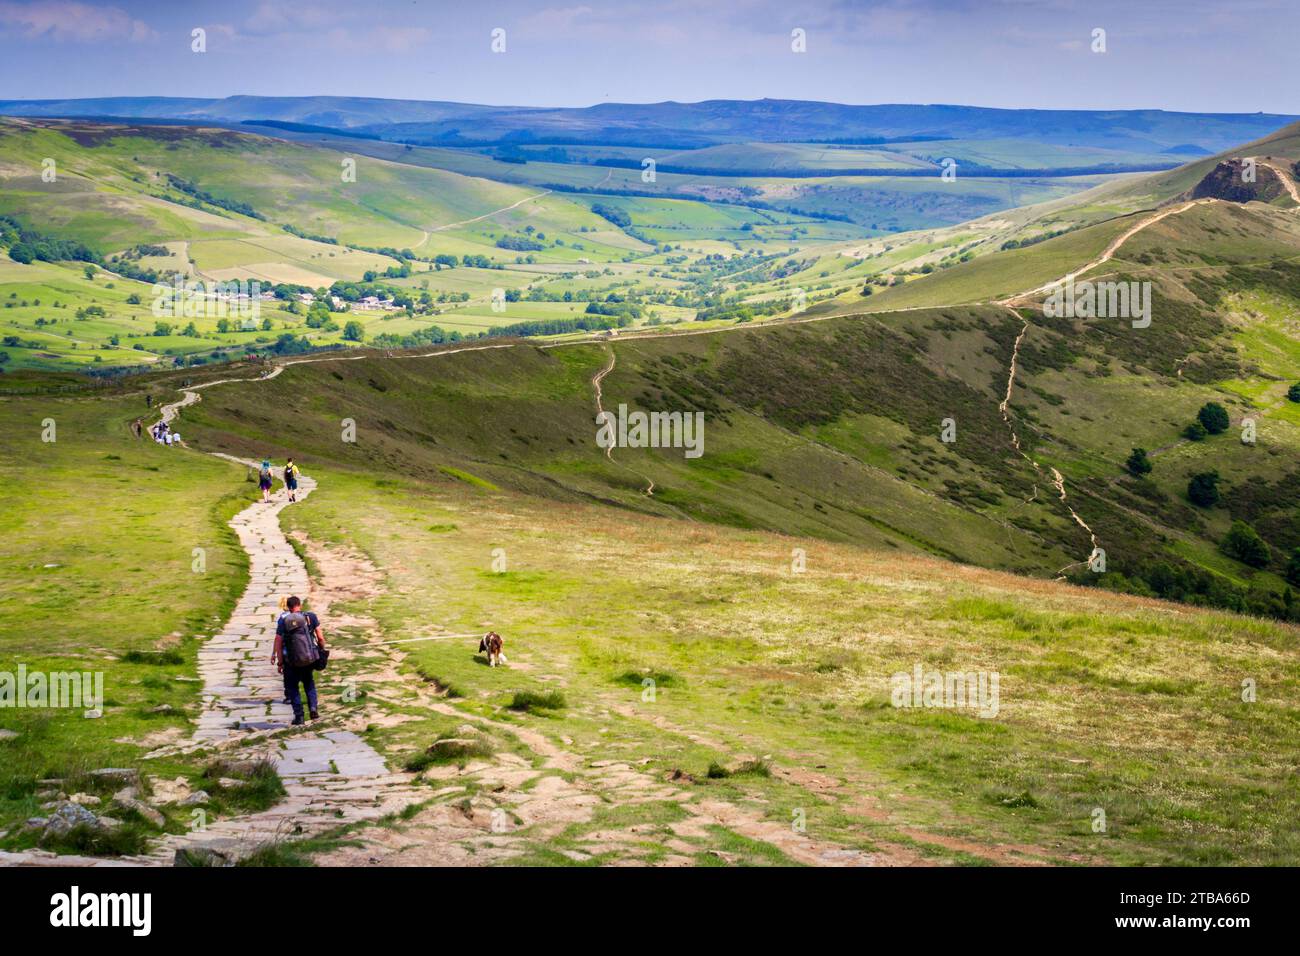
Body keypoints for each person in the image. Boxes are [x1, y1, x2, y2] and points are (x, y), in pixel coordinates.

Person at [272, 596, 325, 725]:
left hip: (291, 660)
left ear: (288, 607)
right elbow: (320, 637)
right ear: (299, 605)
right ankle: (313, 708)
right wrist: (321, 651)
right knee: (309, 683)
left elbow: (278, 641)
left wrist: (280, 662)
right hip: (308, 657)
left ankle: (299, 716)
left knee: (293, 687)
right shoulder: (310, 617)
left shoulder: (283, 620)